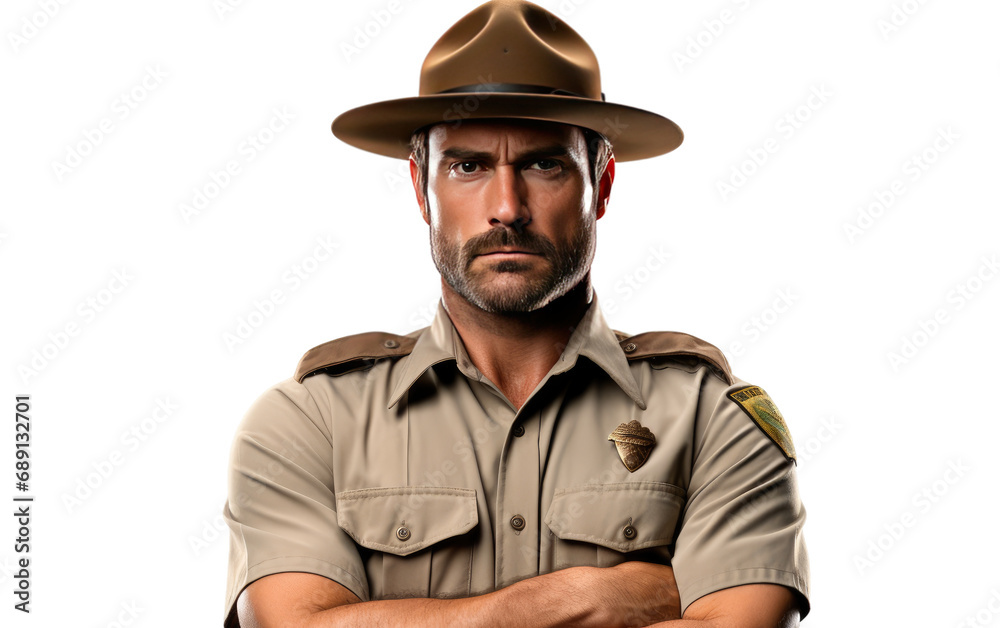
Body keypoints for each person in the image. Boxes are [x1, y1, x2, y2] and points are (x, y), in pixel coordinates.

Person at [223, 1, 810, 626]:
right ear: (421, 188)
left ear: (602, 186)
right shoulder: (311, 421)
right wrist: (590, 598)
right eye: (468, 165)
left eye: (544, 163)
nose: (507, 206)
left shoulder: (714, 416)